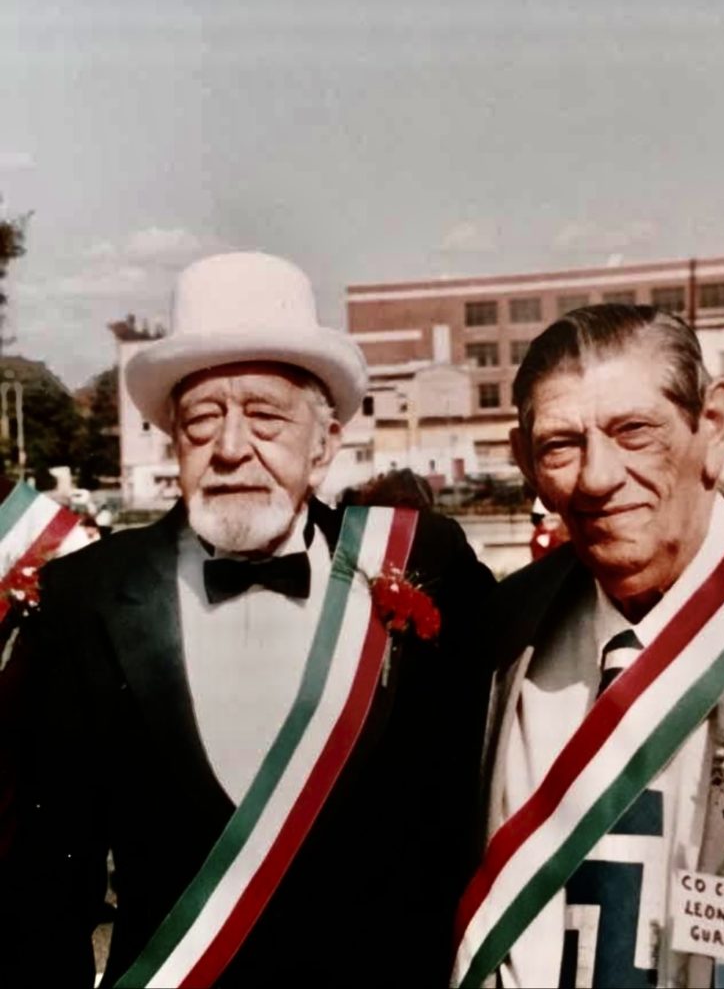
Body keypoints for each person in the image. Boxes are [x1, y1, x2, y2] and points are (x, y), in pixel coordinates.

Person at [4, 252, 495, 987]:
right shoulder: (87, 597)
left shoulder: (428, 564)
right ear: (175, 442)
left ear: (324, 444)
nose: (232, 448)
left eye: (264, 416)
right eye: (203, 420)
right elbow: (42, 887)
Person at [451, 305, 724, 989]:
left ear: (711, 426)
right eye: (560, 445)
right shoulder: (496, 635)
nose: (596, 478)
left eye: (634, 432)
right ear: (524, 463)